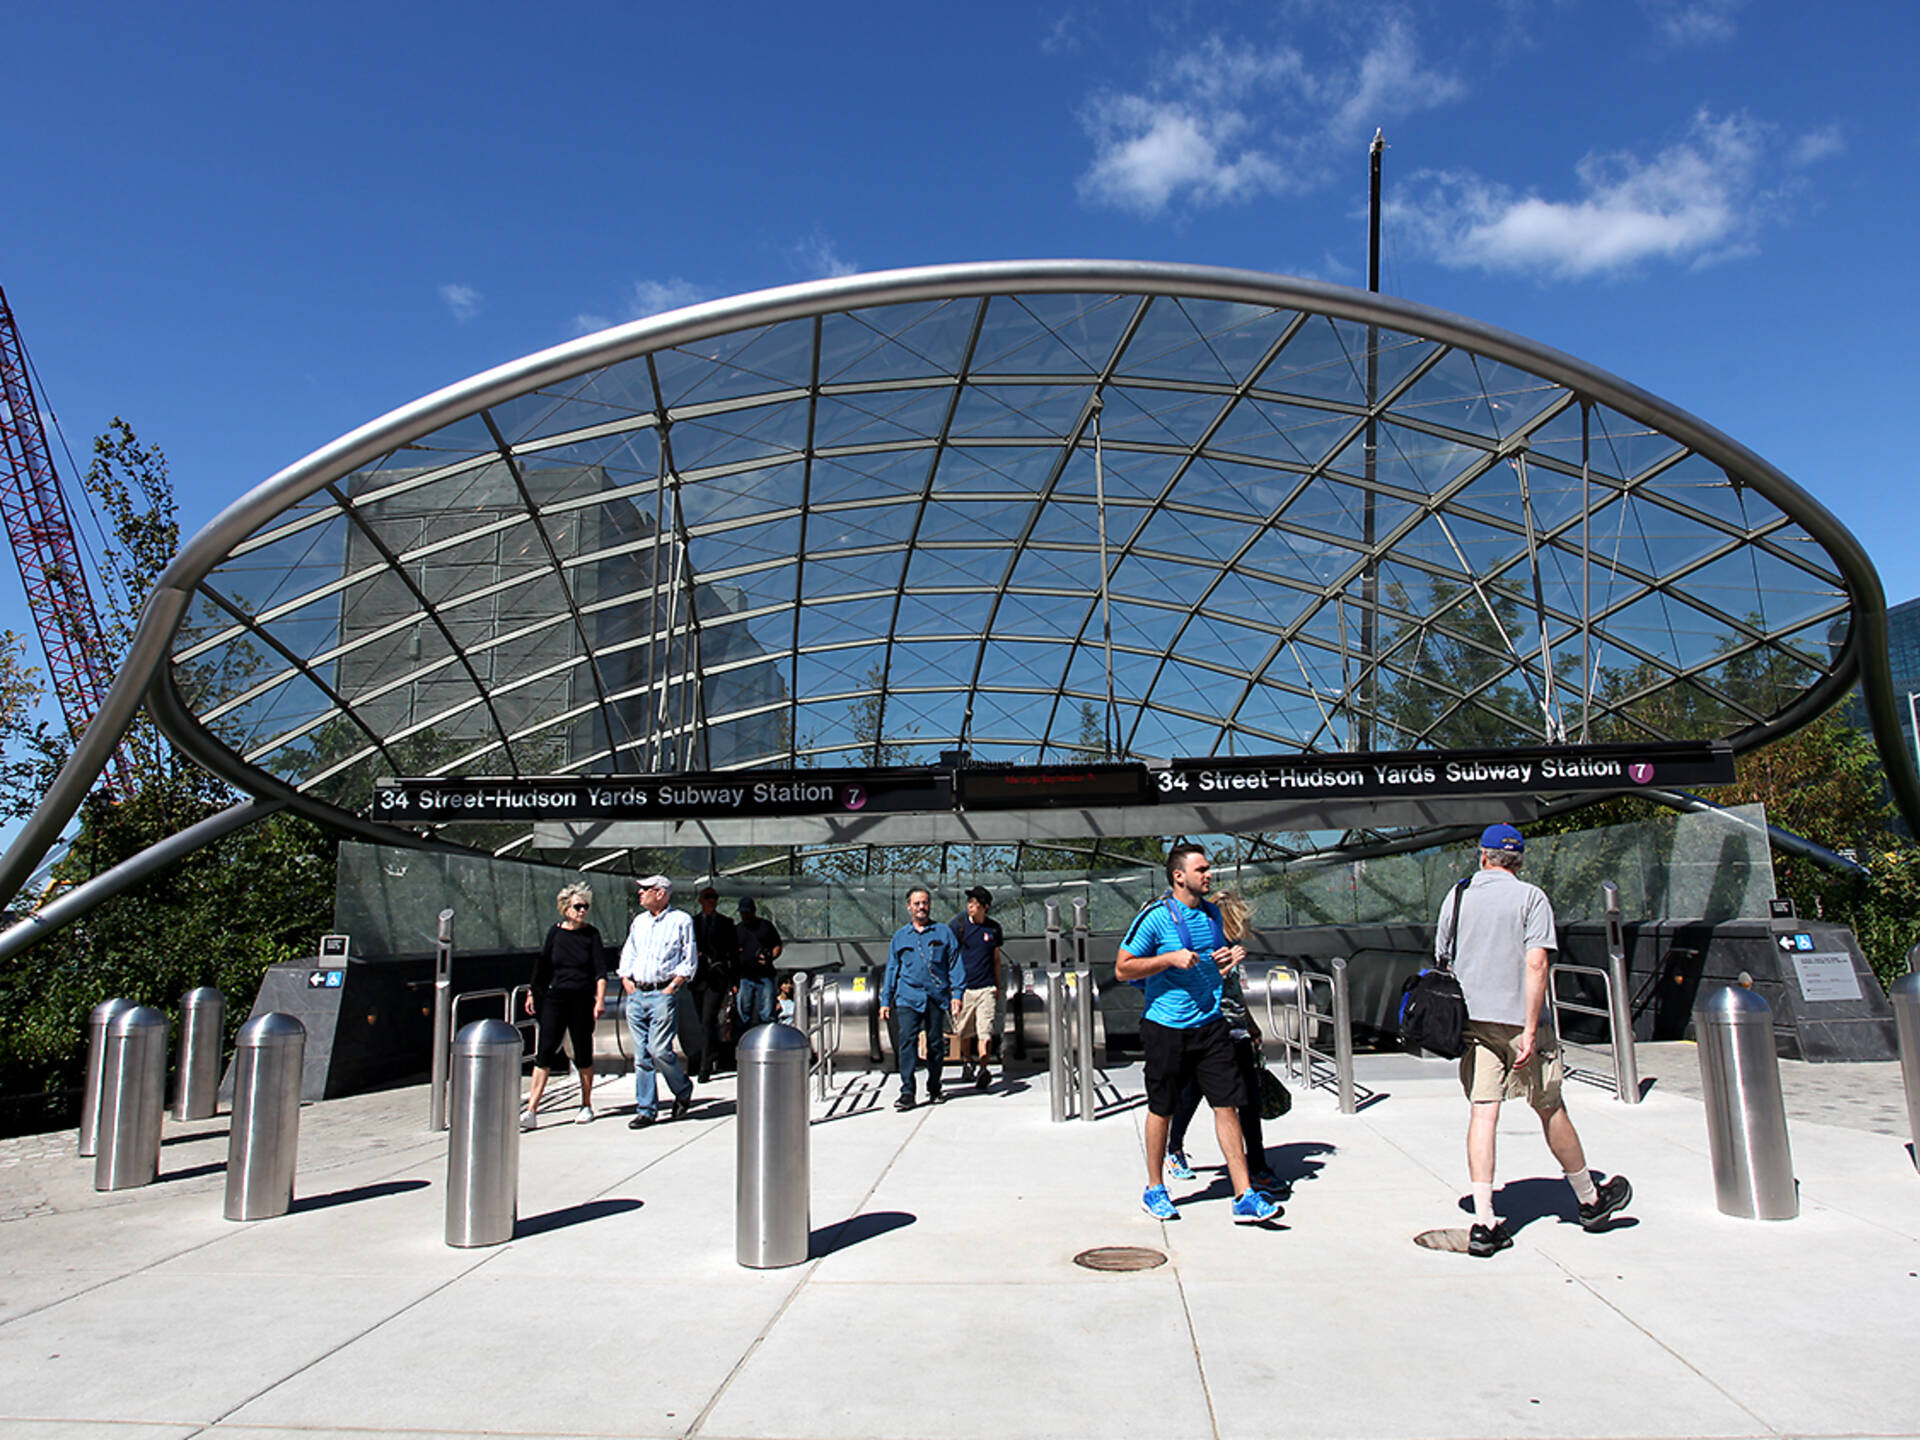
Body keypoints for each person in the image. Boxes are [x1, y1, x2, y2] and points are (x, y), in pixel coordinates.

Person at [1438, 823, 1633, 1257]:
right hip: (1524, 1023)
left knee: (1483, 1113)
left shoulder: (1458, 895)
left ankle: (1485, 1222)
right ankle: (1589, 1200)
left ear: (1483, 856)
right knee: (1549, 1107)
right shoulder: (1532, 898)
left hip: (1474, 1021)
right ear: (1518, 860)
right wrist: (1529, 1030)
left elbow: (1443, 956)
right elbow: (1537, 963)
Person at [1116, 843, 1280, 1224]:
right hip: (1166, 1027)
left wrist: (1225, 961)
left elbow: (1209, 966)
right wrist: (1168, 959)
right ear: (1179, 876)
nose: (1209, 875)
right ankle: (1155, 1187)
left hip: (1210, 1025)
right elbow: (1123, 969)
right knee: (1163, 1107)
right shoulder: (1155, 918)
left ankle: (1244, 1194)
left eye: (1209, 868)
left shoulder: (1211, 916)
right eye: (1202, 869)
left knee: (1227, 1105)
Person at [1163, 890, 1284, 1194]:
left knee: (1247, 1100)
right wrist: (1228, 963)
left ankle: (1257, 1165)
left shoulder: (1228, 946)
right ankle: (1174, 1148)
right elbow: (1202, 981)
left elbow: (1235, 993)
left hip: (1236, 1032)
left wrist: (1252, 1026)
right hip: (1210, 1031)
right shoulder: (1207, 945)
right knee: (1196, 1095)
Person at [521, 882, 607, 1129]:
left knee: (582, 1050)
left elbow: (600, 970)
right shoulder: (555, 933)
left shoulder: (591, 935)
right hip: (555, 997)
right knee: (545, 1050)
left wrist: (599, 1000)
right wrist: (531, 992)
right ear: (566, 908)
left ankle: (586, 1104)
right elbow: (543, 965)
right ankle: (532, 1109)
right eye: (578, 906)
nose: (582, 911)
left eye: (586, 907)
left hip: (581, 998)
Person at [618, 873, 696, 1128]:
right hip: (637, 993)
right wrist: (627, 980)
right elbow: (630, 951)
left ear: (660, 893)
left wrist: (673, 986)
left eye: (645, 889)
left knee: (659, 1049)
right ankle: (646, 1109)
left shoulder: (681, 920)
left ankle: (682, 1088)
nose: (640, 893)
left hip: (662, 993)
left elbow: (688, 957)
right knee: (641, 1055)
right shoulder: (639, 922)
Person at [880, 886, 961, 1111]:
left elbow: (954, 964)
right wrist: (885, 1000)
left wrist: (957, 994)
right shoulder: (900, 937)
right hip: (908, 997)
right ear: (909, 907)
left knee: (935, 1043)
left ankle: (934, 1087)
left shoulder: (943, 933)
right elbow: (892, 968)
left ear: (930, 905)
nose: (921, 907)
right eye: (916, 903)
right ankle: (907, 1091)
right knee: (907, 1041)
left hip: (935, 996)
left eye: (924, 903)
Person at [947, 885, 1004, 1091]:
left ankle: (983, 1068)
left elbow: (996, 959)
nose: (970, 906)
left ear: (985, 907)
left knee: (985, 1030)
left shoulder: (994, 929)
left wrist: (997, 986)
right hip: (965, 988)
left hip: (986, 987)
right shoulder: (960, 927)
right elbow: (951, 956)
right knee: (963, 1031)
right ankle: (967, 1061)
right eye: (969, 903)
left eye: (974, 904)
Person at [689, 886, 739, 1083]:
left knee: (708, 1019)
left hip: (717, 978)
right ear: (701, 900)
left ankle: (706, 1064)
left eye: (714, 897)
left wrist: (735, 980)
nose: (711, 901)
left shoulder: (726, 923)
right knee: (704, 1020)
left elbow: (734, 953)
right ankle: (713, 1053)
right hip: (698, 978)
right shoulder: (692, 923)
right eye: (707, 897)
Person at [734, 896, 783, 1030]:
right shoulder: (737, 930)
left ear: (754, 911)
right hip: (745, 976)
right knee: (743, 1011)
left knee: (767, 1011)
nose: (745, 915)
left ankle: (769, 1036)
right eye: (743, 913)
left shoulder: (765, 926)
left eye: (748, 912)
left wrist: (770, 957)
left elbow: (777, 945)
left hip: (765, 975)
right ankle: (744, 1039)